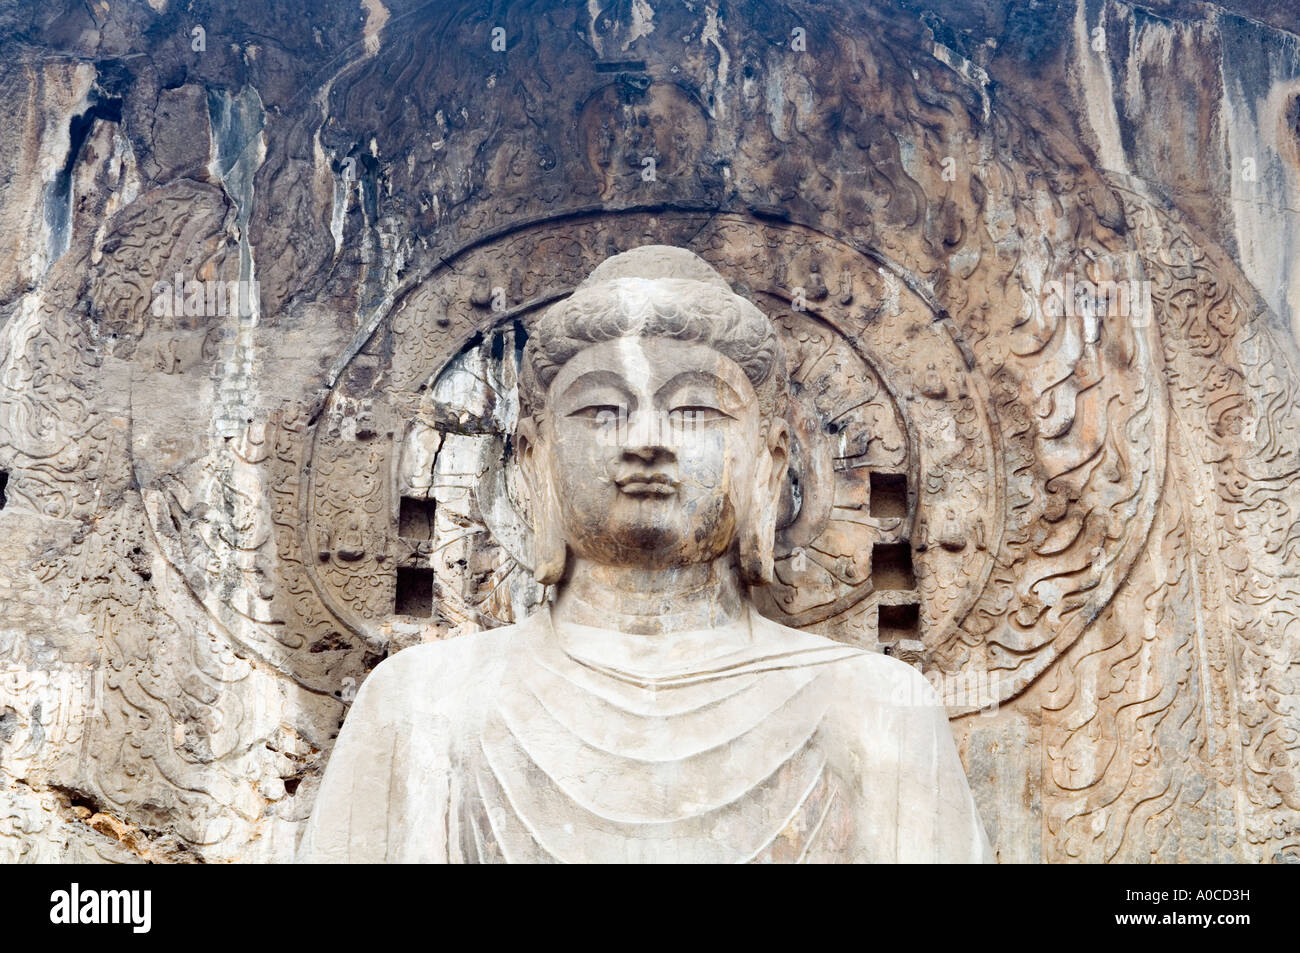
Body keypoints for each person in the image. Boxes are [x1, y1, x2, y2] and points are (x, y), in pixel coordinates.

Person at [298, 245, 993, 863]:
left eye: (695, 410)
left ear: (769, 460)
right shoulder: (422, 705)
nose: (647, 440)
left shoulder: (877, 705)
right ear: (536, 459)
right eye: (602, 411)